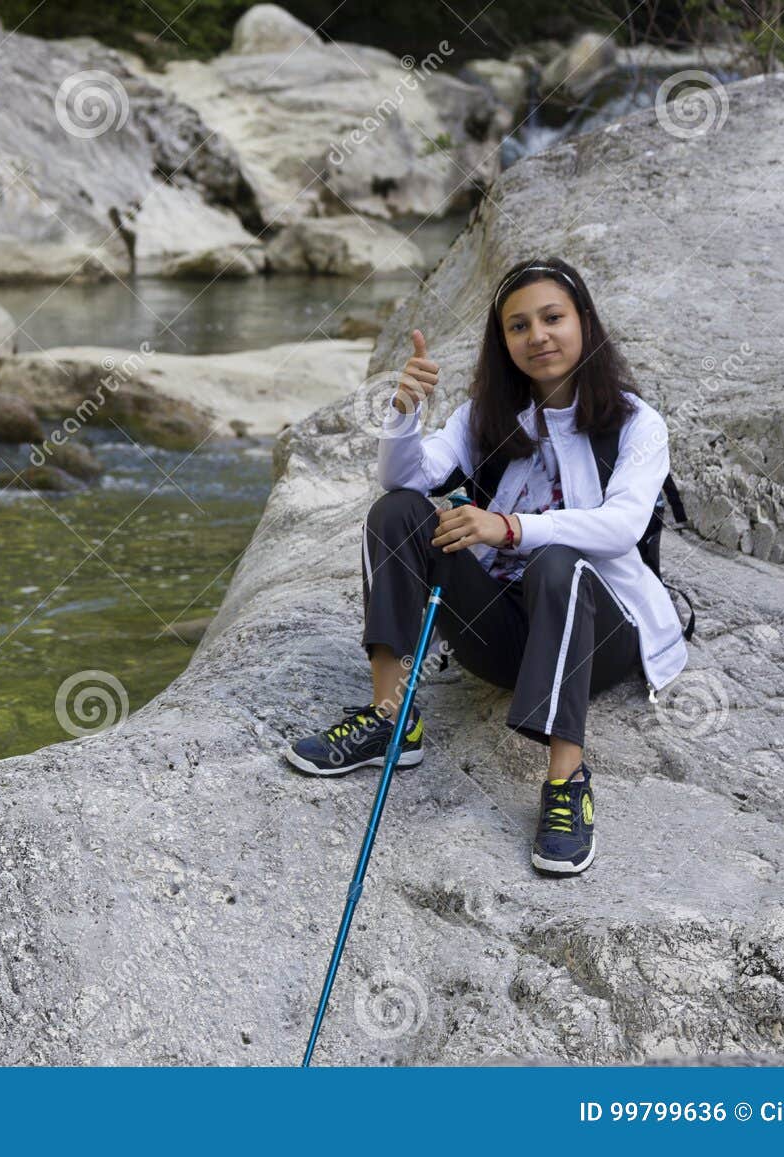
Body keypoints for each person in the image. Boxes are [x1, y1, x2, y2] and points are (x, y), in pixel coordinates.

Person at [284, 257, 689, 876]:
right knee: (396, 515)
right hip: (502, 638)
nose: (538, 337)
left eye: (552, 318)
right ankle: (392, 722)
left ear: (584, 321)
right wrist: (403, 414)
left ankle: (565, 782)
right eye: (518, 326)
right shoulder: (487, 417)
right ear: (503, 342)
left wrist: (509, 527)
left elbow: (622, 526)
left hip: (599, 635)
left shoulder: (637, 422)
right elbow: (404, 481)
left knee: (558, 561)